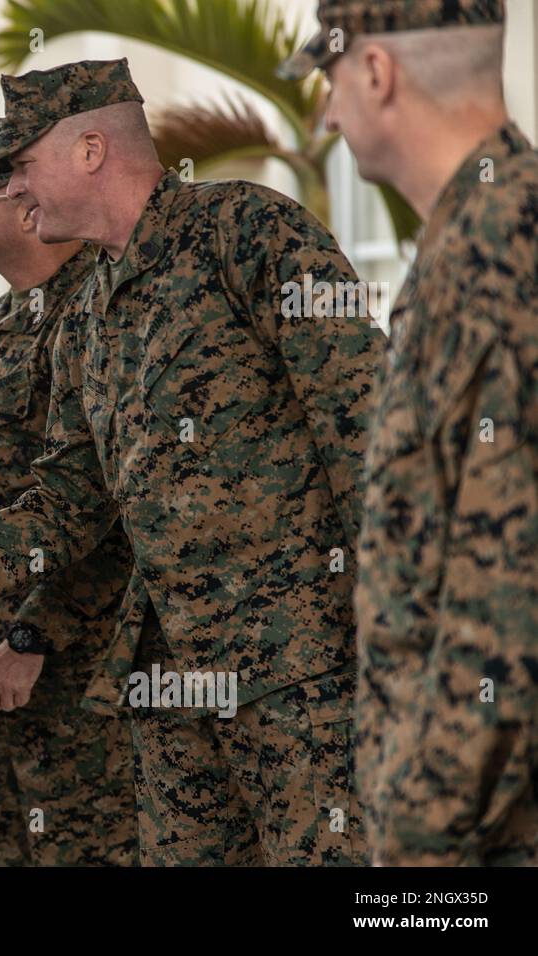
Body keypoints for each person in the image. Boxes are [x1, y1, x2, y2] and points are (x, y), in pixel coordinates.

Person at [0, 58, 381, 865]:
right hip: (165, 678)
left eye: (22, 164)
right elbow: (68, 499)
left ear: (91, 150)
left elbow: (367, 426)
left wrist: (403, 624)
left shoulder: (247, 230)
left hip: (301, 669)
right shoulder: (86, 311)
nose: (13, 187)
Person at [281, 0, 538, 865]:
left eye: (331, 81)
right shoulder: (473, 238)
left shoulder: (495, 258)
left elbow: (505, 614)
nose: (327, 114)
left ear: (377, 72)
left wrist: (419, 848)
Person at [0, 115, 136, 865]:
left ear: (23, 206)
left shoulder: (97, 313)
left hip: (64, 665)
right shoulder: (4, 316)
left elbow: (111, 506)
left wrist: (33, 634)